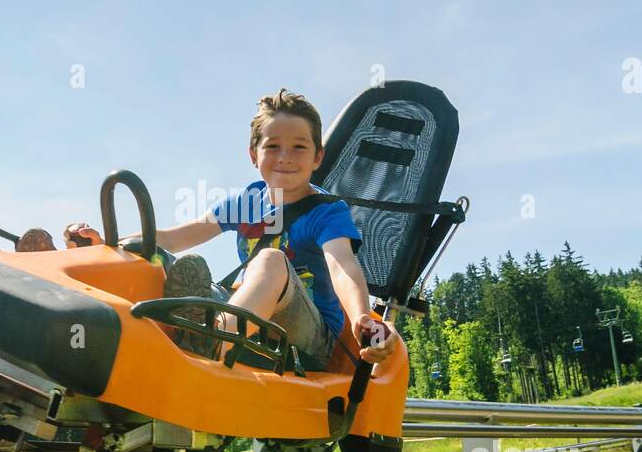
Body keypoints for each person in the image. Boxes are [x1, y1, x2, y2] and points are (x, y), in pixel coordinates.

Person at [62, 88, 400, 368]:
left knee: (269, 260)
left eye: (299, 147)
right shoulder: (247, 201)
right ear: (254, 155)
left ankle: (211, 341)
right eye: (272, 146)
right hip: (249, 318)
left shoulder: (328, 212)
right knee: (164, 261)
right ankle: (97, 313)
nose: (285, 156)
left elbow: (342, 266)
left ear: (317, 158)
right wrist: (106, 243)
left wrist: (361, 316)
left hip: (309, 338)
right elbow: (177, 237)